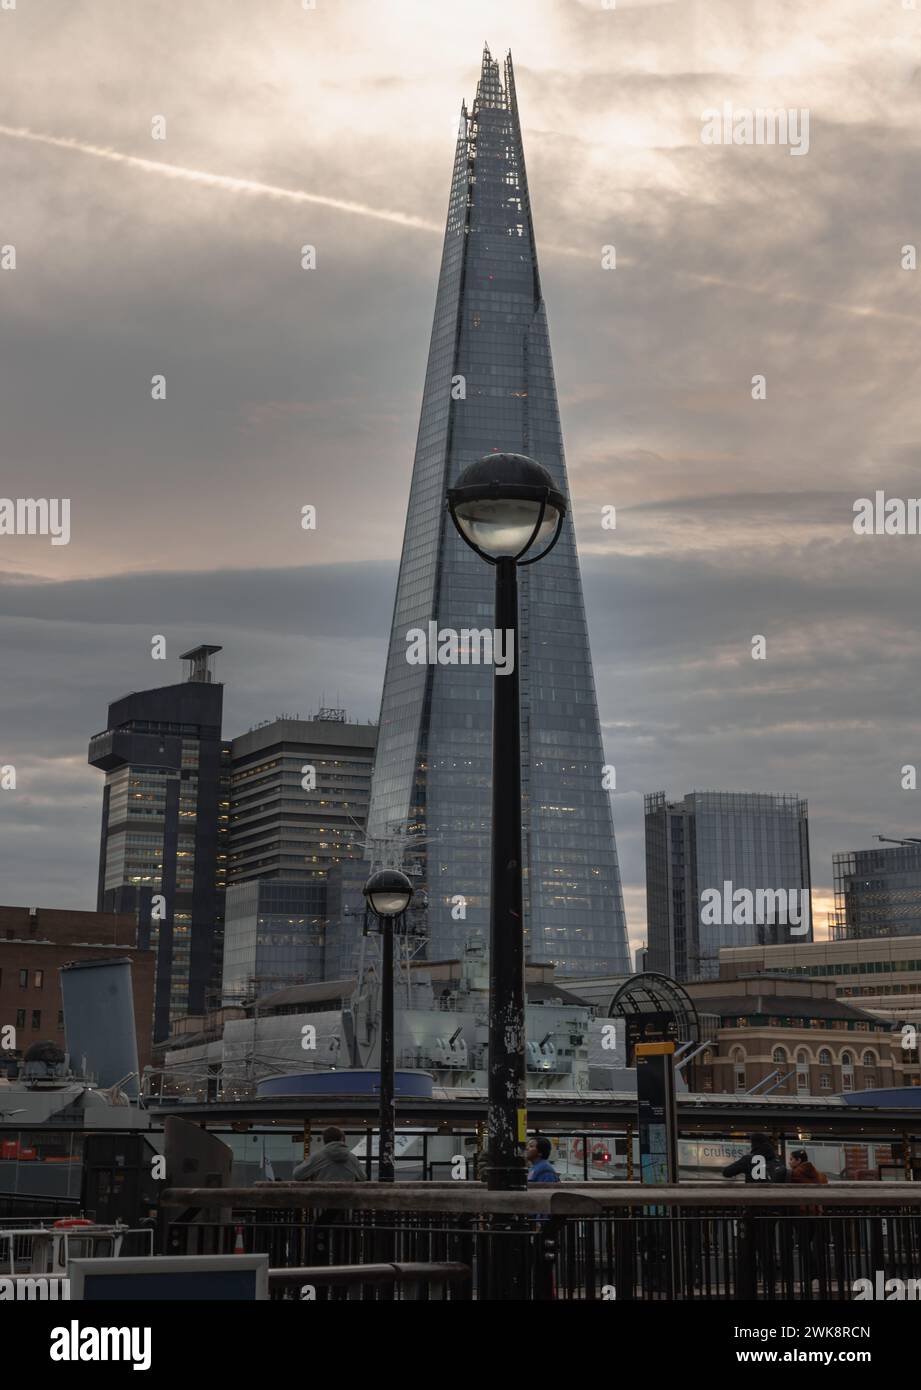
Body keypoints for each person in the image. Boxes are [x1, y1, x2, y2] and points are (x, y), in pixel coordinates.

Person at [292, 1126, 367, 1183]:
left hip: (321, 1200)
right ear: (342, 1139)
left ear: (324, 1140)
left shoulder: (316, 1157)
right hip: (348, 1201)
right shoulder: (352, 1158)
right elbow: (363, 1178)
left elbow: (298, 1175)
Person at [721, 1133, 788, 1184]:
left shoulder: (748, 1159)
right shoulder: (776, 1161)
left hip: (753, 1198)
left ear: (754, 1144)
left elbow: (726, 1172)